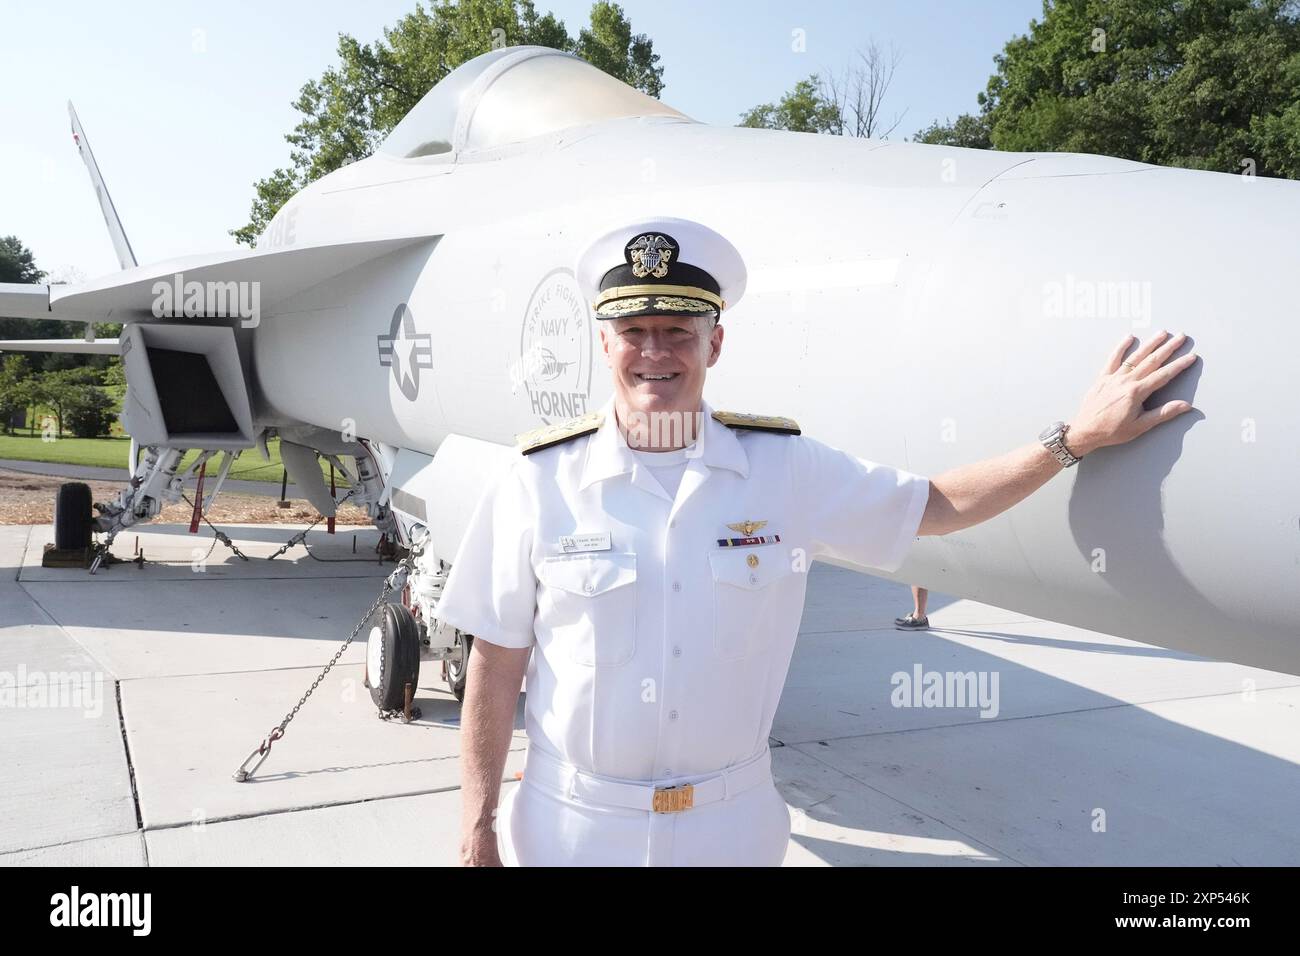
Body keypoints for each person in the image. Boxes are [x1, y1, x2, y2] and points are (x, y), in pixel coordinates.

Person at [435, 216, 1197, 867]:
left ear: (714, 343)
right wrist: (475, 830)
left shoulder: (784, 469)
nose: (654, 352)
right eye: (634, 332)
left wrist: (1075, 439)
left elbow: (935, 505)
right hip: (573, 832)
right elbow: (495, 668)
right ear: (606, 345)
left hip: (729, 831)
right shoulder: (537, 479)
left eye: (677, 332)